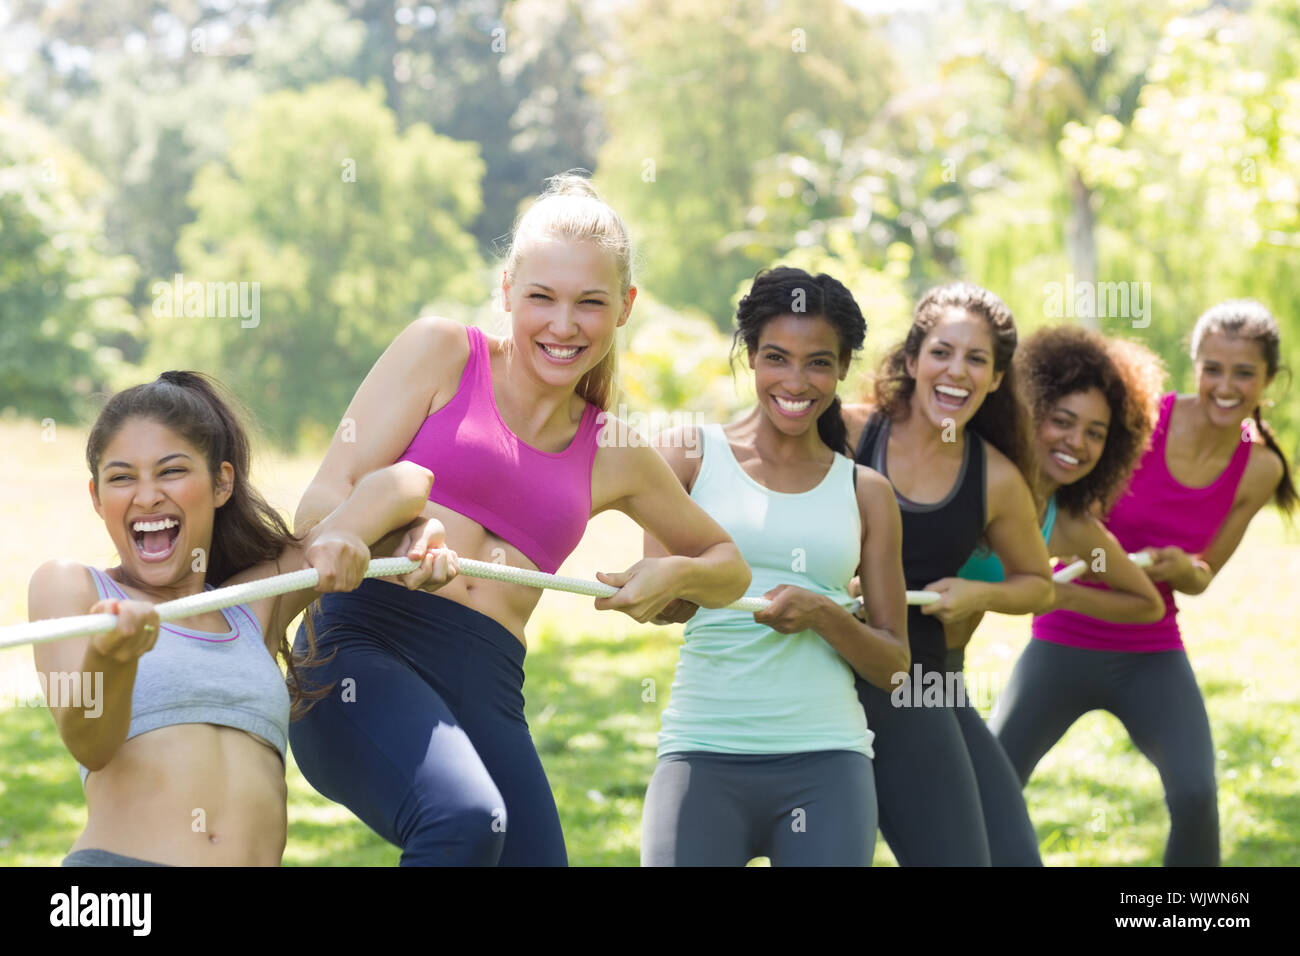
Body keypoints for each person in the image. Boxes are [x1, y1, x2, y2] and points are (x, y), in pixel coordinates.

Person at [287, 173, 751, 867]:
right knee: (464, 819)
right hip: (362, 649)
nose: (563, 326)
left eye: (589, 303)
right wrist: (398, 535)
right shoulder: (441, 354)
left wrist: (675, 573)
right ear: (508, 289)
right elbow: (320, 509)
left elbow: (730, 568)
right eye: (542, 298)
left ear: (624, 307)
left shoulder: (614, 450)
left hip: (487, 683)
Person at [29, 371, 446, 866]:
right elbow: (88, 745)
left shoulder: (255, 603)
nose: (146, 496)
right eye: (122, 478)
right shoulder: (70, 587)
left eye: (172, 471)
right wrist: (112, 660)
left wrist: (369, 533)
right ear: (98, 497)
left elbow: (406, 483)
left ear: (221, 482)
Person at [991, 300, 1296, 866]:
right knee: (992, 778)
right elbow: (1062, 497)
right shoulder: (1141, 420)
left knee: (1196, 792)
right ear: (1195, 364)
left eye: (1244, 373)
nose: (1225, 386)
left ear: (1270, 380)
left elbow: (1204, 576)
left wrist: (1184, 568)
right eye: (1213, 368)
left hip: (1149, 646)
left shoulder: (1260, 468)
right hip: (1064, 631)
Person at [639, 267, 908, 866]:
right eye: (776, 357)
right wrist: (674, 585)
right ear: (750, 357)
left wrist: (823, 613)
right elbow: (661, 606)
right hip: (702, 750)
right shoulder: (686, 456)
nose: (795, 380)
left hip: (826, 760)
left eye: (818, 362)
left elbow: (894, 666)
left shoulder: (867, 493)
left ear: (842, 369)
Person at [839, 281, 1054, 866]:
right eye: (942, 351)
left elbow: (1038, 584)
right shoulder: (848, 432)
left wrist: (977, 593)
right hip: (820, 660)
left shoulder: (998, 478)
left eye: (977, 359)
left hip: (914, 678)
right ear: (912, 361)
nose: (956, 370)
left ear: (997, 378)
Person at [945, 326, 1167, 863]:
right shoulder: (966, 474)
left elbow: (1145, 603)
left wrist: (1050, 594)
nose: (1076, 442)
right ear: (1028, 411)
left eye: (1096, 432)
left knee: (1010, 846)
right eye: (1062, 421)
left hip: (939, 683)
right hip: (869, 665)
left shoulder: (1066, 524)